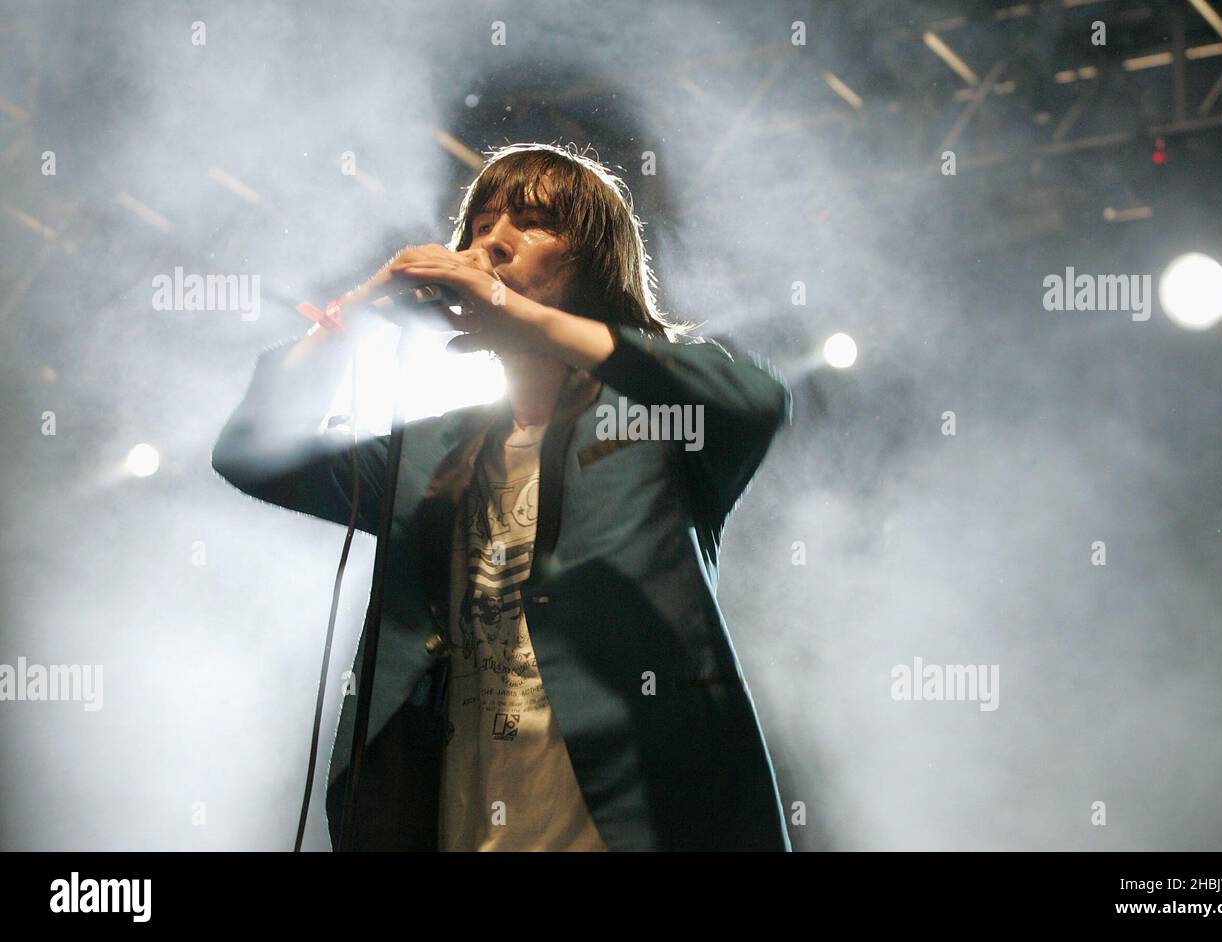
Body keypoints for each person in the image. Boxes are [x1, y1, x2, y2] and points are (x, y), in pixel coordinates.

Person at [211, 142, 794, 851]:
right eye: (481, 222)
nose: (494, 238)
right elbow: (252, 453)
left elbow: (753, 397)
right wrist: (361, 308)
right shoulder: (433, 452)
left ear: (594, 258)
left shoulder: (654, 428)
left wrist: (521, 317)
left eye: (533, 220)